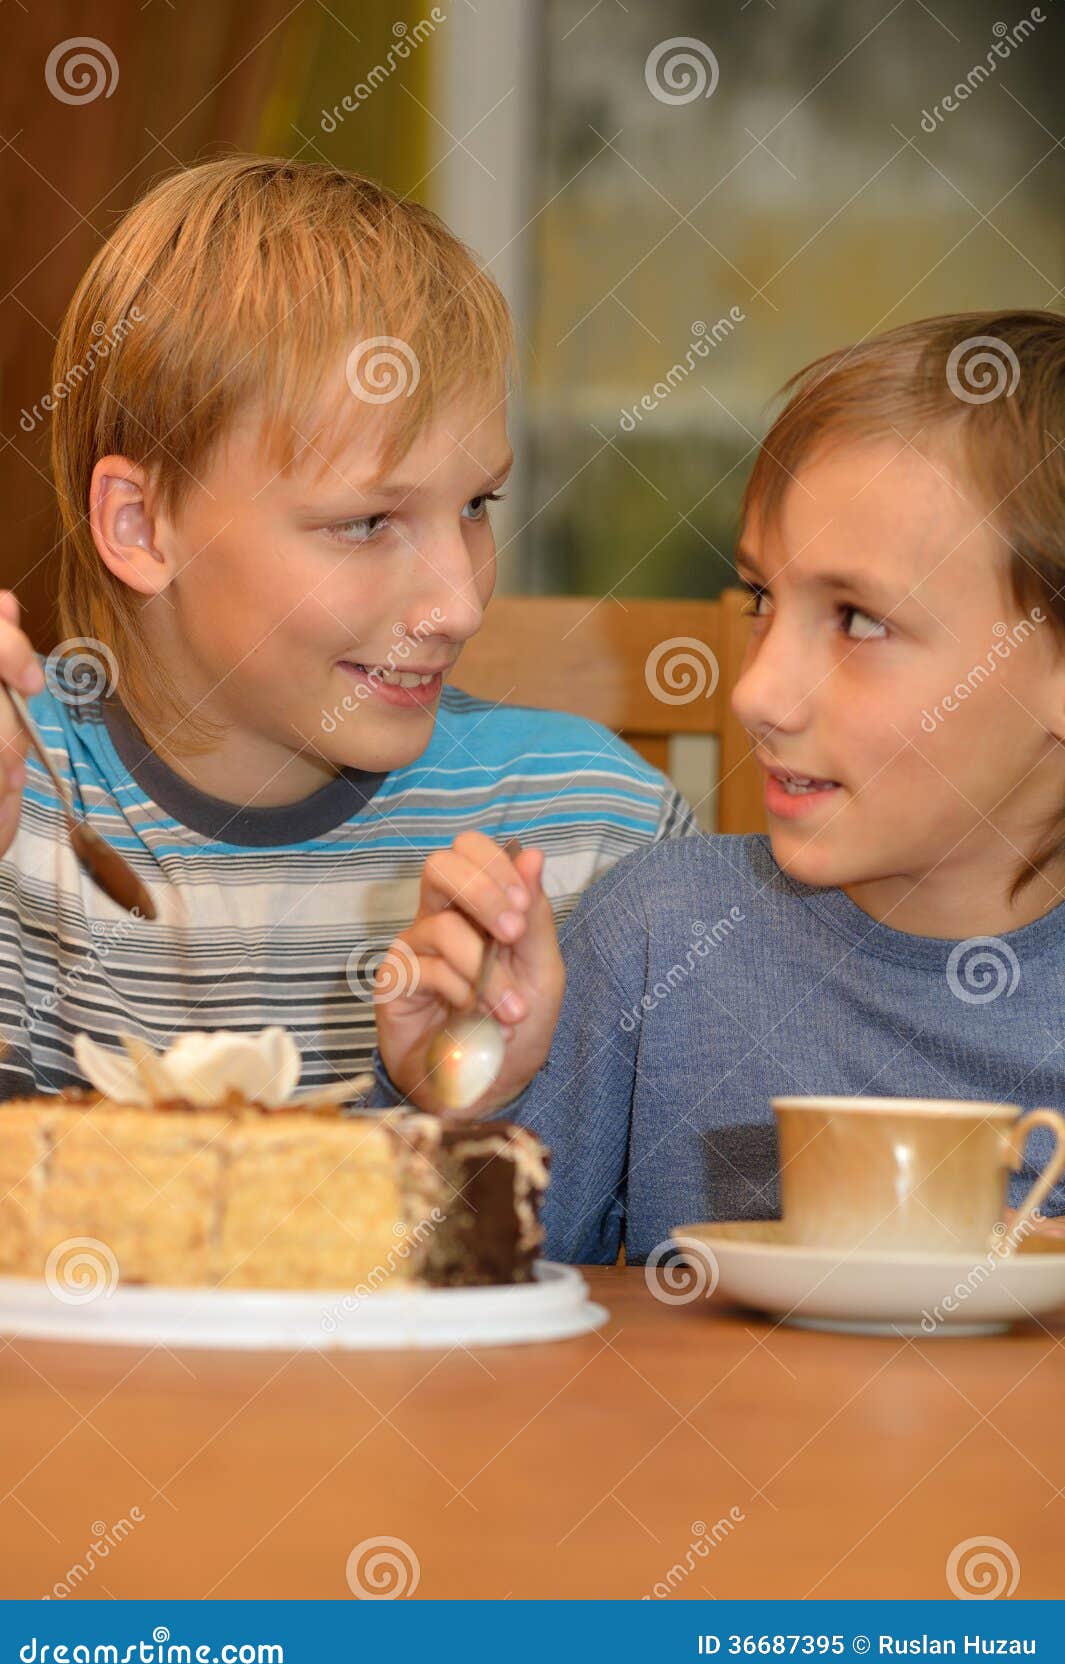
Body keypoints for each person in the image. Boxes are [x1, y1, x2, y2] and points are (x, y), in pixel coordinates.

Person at [373, 310, 1065, 1261]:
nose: (756, 692)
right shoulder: (659, 939)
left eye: (858, 621)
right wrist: (459, 1098)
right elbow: (420, 1314)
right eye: (761, 602)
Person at [0, 155, 693, 1098]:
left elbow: (661, 1231)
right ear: (140, 525)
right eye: (366, 523)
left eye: (478, 504)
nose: (459, 603)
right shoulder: (20, 824)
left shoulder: (594, 840)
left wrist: (457, 1094)